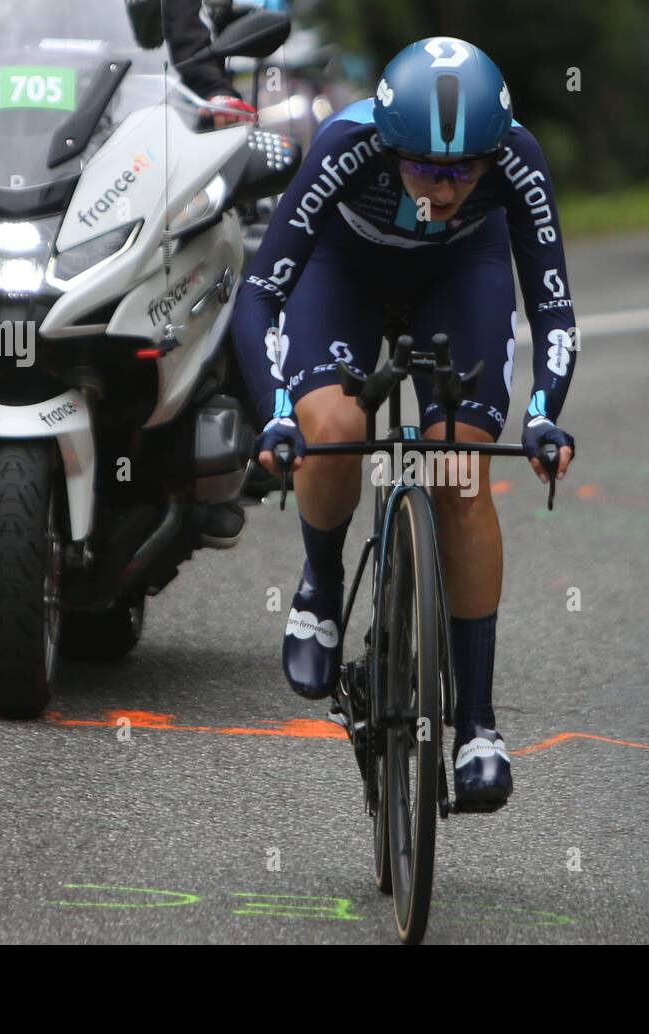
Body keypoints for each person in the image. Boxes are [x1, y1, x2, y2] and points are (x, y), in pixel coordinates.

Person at [229, 37, 579, 809]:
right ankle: (321, 586)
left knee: (458, 471)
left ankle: (478, 725)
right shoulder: (346, 147)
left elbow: (550, 303)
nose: (445, 187)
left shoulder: (518, 157)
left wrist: (546, 413)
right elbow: (257, 294)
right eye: (424, 167)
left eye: (463, 171)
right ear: (390, 146)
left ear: (492, 154)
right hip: (344, 270)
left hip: (462, 275)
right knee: (332, 428)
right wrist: (277, 415)